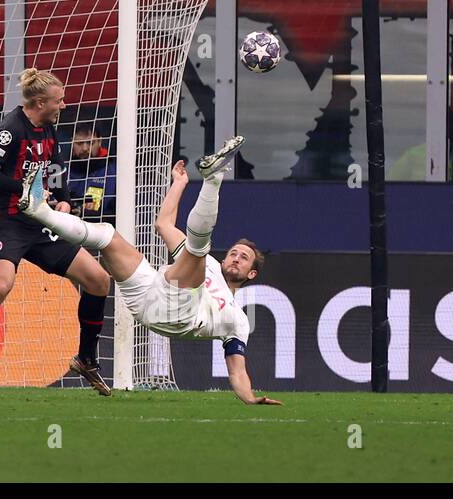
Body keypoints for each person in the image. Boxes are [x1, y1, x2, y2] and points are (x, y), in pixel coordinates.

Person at [18, 136, 281, 405]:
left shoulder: (239, 320)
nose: (236, 258)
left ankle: (213, 180)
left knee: (197, 253)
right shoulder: (212, 266)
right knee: (108, 236)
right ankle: (40, 211)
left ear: (251, 274)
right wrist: (179, 184)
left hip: (175, 316)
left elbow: (237, 370)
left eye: (244, 258)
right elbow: (164, 224)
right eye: (234, 253)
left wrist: (249, 397)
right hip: (148, 295)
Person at [0, 68, 115, 395]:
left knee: (98, 280)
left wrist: (64, 200)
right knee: (1, 285)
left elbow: (56, 173)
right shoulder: (9, 130)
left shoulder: (49, 130)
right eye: (58, 100)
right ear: (39, 102)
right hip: (7, 222)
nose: (63, 105)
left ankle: (86, 359)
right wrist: (21, 189)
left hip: (41, 224)